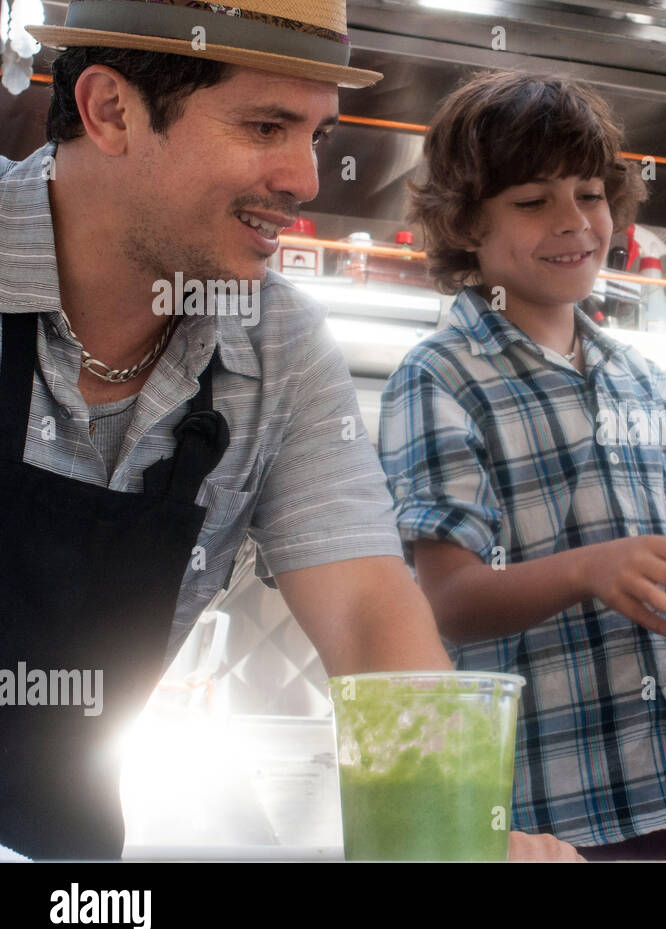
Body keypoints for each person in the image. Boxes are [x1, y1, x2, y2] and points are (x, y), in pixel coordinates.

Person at [1, 0, 575, 861]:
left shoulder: (278, 346)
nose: (305, 179)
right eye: (266, 125)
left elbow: (368, 607)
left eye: (313, 134)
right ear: (110, 110)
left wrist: (455, 835)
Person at [379, 71, 666, 860]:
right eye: (533, 202)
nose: (574, 222)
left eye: (591, 194)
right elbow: (449, 601)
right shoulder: (441, 375)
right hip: (539, 823)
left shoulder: (641, 378)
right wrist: (591, 569)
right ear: (466, 222)